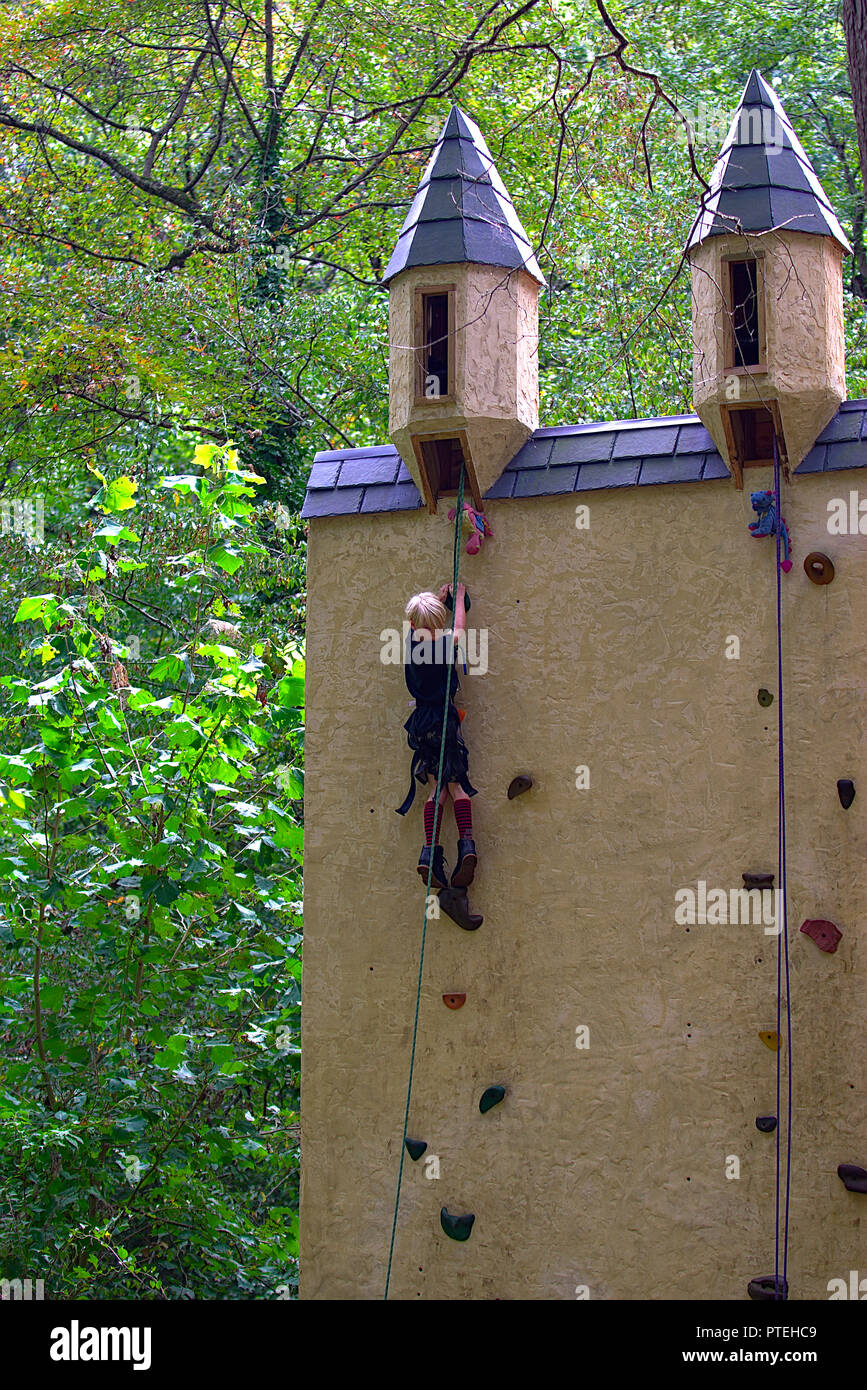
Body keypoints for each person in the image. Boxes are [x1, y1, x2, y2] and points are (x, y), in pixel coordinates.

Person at [395, 581, 478, 891]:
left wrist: (439, 601)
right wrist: (456, 600)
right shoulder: (443, 645)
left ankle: (429, 852)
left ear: (412, 624)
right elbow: (458, 628)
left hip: (421, 723)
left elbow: (425, 621)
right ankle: (467, 845)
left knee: (436, 790)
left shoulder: (410, 645)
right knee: (456, 787)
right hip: (444, 720)